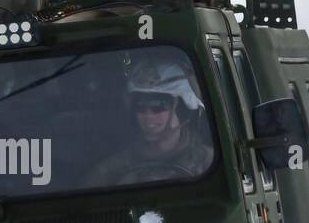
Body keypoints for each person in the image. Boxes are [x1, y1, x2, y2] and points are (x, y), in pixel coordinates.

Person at [88, 54, 215, 186]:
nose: (147, 114)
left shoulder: (208, 165)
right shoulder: (110, 171)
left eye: (158, 106)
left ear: (183, 111)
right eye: (140, 106)